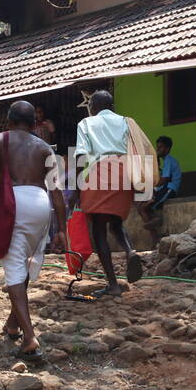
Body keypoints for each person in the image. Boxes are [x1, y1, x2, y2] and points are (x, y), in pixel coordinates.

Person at [0, 100, 67, 360]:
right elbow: (57, 190)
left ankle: (29, 338)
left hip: (13, 203)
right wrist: (62, 228)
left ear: (9, 120)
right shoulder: (45, 147)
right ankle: (13, 323)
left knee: (14, 267)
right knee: (22, 264)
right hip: (40, 205)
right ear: (34, 123)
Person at [75, 90, 146, 295]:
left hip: (100, 170)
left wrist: (77, 188)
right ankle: (129, 250)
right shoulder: (125, 121)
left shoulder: (86, 123)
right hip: (124, 171)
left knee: (99, 229)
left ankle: (113, 285)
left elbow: (80, 155)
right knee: (115, 222)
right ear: (111, 106)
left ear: (93, 107)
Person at [139, 135, 182, 230]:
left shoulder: (169, 161)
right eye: (157, 147)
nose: (158, 149)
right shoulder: (165, 161)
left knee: (150, 204)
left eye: (160, 147)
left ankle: (157, 219)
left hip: (170, 189)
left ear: (167, 148)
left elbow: (164, 180)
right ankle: (154, 225)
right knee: (144, 205)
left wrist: (149, 185)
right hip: (164, 188)